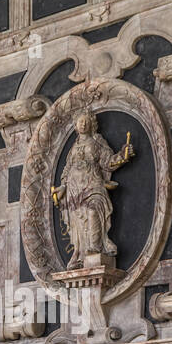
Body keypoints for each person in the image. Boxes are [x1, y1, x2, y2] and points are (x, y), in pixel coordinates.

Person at [53, 110, 133, 268]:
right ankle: (79, 253)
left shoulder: (97, 141)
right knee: (78, 221)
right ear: (76, 125)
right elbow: (67, 169)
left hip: (93, 183)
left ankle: (95, 249)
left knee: (93, 211)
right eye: (80, 121)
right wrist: (62, 186)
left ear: (91, 124)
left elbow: (107, 162)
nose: (83, 124)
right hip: (74, 188)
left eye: (86, 121)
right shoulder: (74, 146)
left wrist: (122, 156)